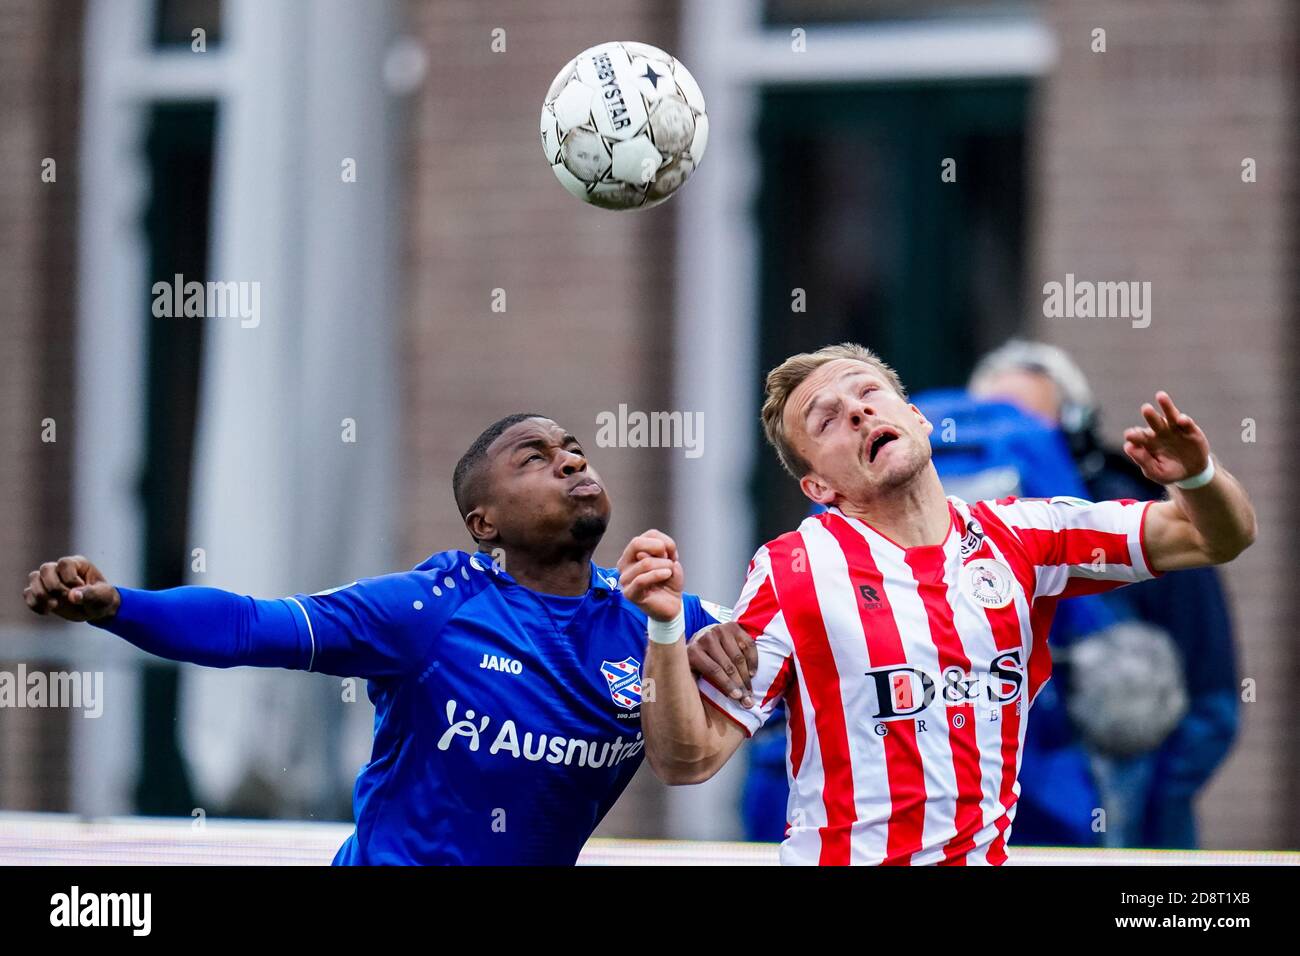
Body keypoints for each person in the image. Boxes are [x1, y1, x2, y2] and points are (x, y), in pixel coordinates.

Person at [621, 342, 1255, 865]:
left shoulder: (1025, 536)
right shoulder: (795, 569)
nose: (858, 413)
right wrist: (667, 629)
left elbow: (1216, 536)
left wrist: (1196, 477)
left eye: (869, 394)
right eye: (826, 417)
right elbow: (687, 758)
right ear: (818, 485)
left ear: (918, 417)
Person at [22, 413, 741, 865]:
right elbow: (248, 624)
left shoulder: (655, 618)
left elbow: (799, 657)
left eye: (575, 450)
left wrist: (695, 639)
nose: (572, 461)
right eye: (534, 457)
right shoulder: (431, 608)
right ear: (483, 522)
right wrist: (118, 605)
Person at [969, 340, 1238, 848]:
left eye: (1028, 428)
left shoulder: (1130, 506)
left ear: (1074, 427)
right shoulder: (943, 532)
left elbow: (1212, 697)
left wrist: (1140, 802)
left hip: (1127, 802)